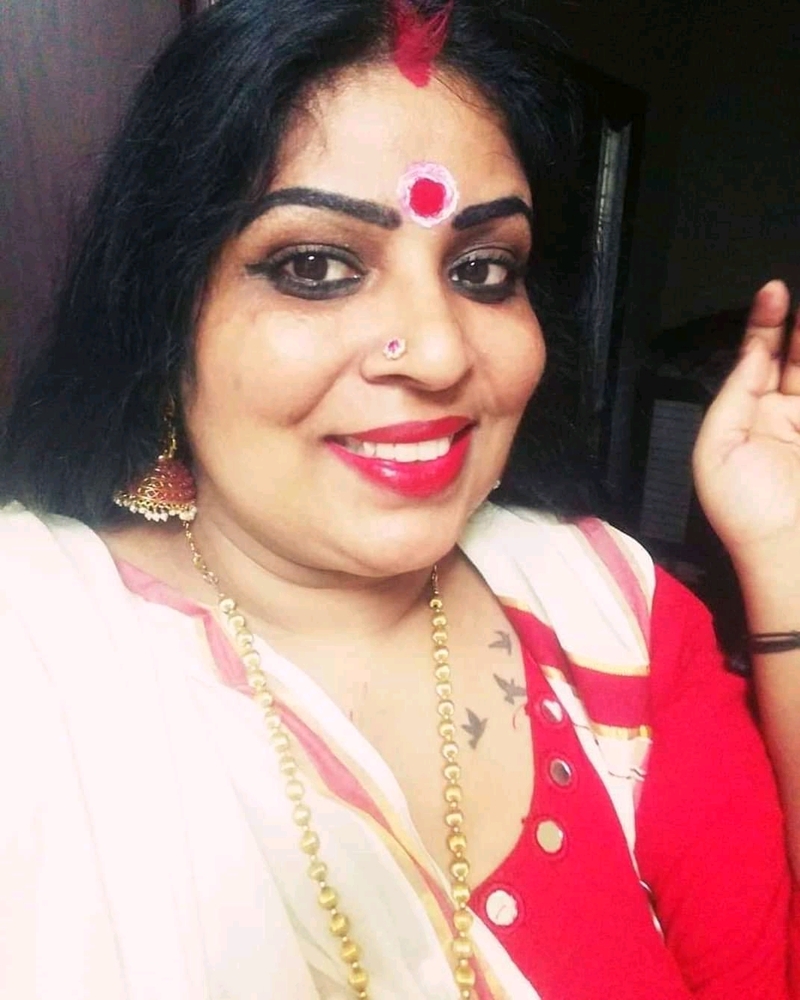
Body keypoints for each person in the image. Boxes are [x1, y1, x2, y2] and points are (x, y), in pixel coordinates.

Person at [0, 1, 798, 997]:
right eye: (316, 267)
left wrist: (783, 555)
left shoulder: (614, 612)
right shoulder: (38, 657)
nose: (437, 351)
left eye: (483, 270)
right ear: (167, 312)